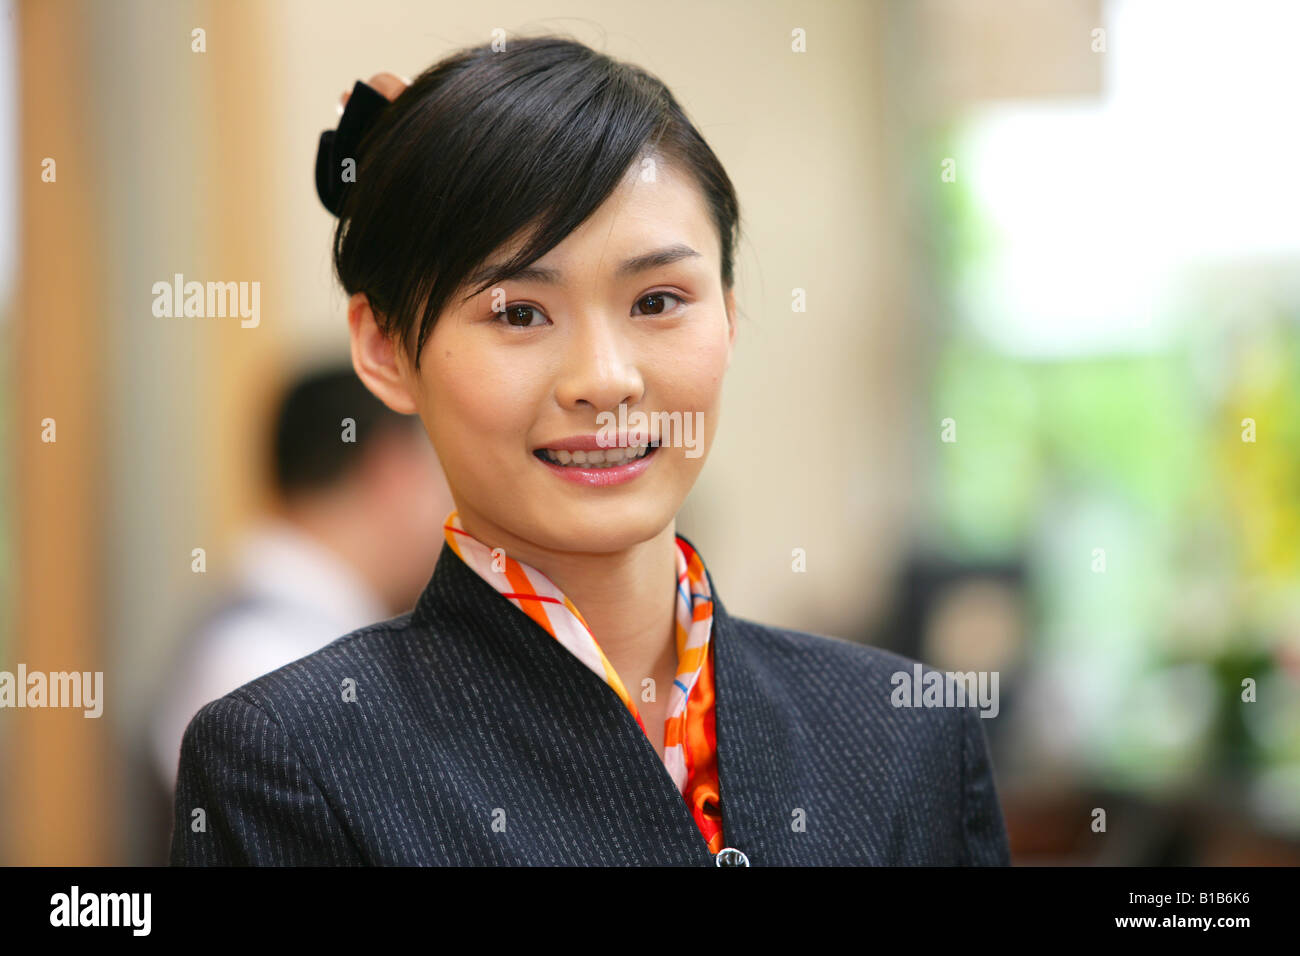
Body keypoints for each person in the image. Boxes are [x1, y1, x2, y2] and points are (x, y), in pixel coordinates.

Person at [170, 35, 1011, 866]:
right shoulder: (290, 764)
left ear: (728, 310)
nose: (604, 381)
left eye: (657, 300)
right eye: (518, 313)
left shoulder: (907, 737)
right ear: (386, 349)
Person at [151, 364, 450, 796]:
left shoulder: (267, 633)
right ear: (392, 469)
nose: (451, 514)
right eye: (440, 477)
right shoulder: (271, 658)